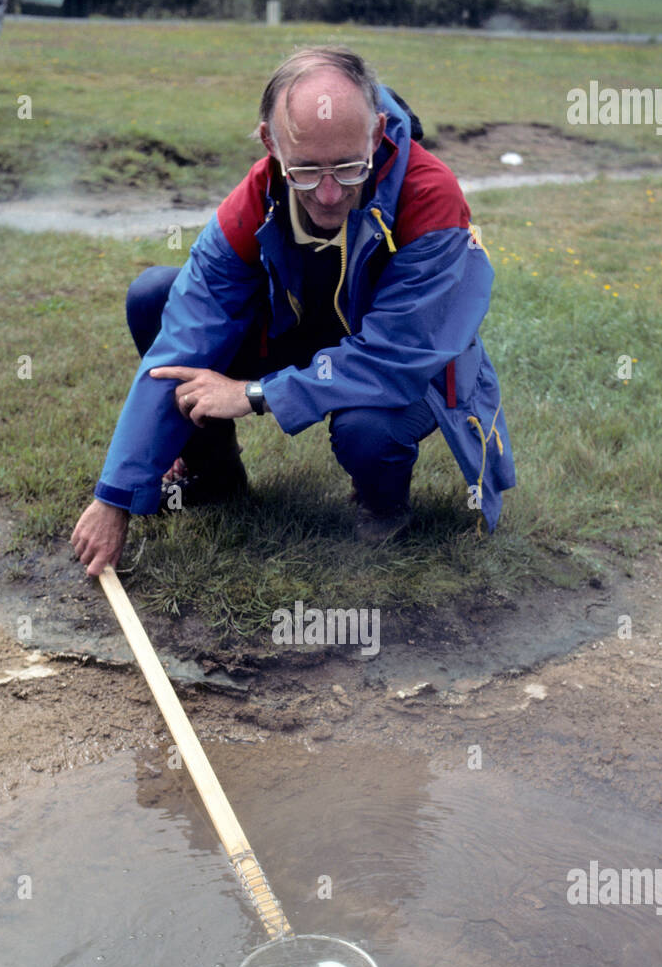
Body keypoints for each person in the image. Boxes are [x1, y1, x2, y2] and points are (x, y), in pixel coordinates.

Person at [70, 45, 515, 575]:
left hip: (409, 364)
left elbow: (396, 357)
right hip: (304, 332)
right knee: (155, 296)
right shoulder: (257, 192)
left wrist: (255, 393)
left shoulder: (431, 198)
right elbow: (183, 339)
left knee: (366, 429)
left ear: (375, 134)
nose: (328, 195)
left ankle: (383, 503)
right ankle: (216, 480)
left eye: (348, 169)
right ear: (270, 145)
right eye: (304, 171)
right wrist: (115, 496)